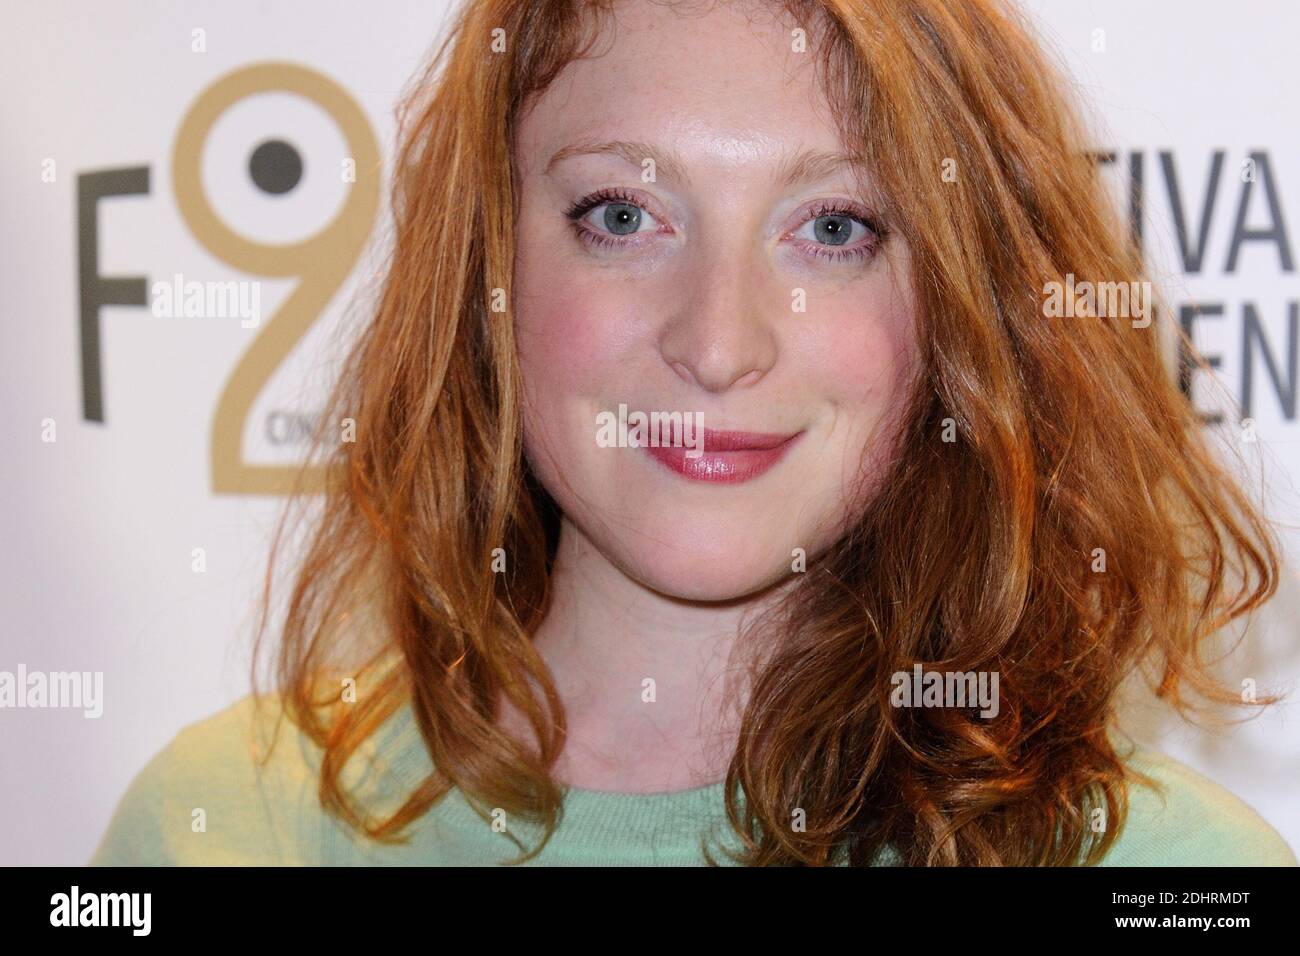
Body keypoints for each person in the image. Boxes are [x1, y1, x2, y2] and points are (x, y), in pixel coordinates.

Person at [92, 0, 1297, 866]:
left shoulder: (1172, 869)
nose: (719, 343)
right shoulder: (218, 827)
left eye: (833, 228)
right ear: (487, 266)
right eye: (623, 215)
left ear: (957, 307)